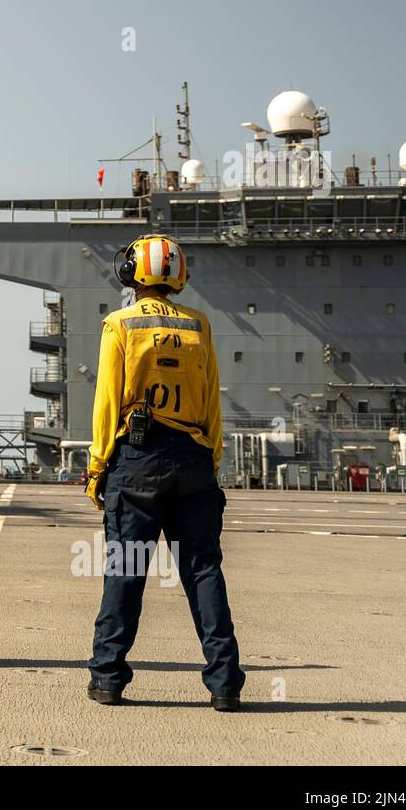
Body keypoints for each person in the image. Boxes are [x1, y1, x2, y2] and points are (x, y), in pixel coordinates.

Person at [83, 234, 245, 710]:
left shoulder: (120, 324)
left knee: (126, 571)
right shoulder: (200, 325)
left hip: (137, 461)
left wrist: (97, 468)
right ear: (177, 276)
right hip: (193, 461)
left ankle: (108, 679)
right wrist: (210, 463)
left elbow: (107, 403)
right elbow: (213, 404)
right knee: (203, 571)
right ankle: (224, 685)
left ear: (132, 272)